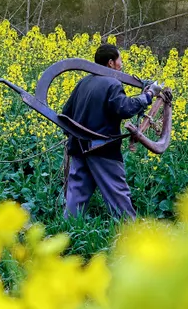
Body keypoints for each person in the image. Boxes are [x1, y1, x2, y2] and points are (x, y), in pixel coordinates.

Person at [59, 41, 159, 220]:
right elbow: (125, 108)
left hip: (79, 148)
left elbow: (66, 113)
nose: (122, 65)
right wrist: (148, 96)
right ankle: (130, 235)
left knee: (75, 199)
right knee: (118, 195)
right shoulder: (111, 84)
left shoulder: (83, 82)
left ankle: (66, 235)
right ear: (111, 63)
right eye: (120, 60)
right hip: (102, 149)